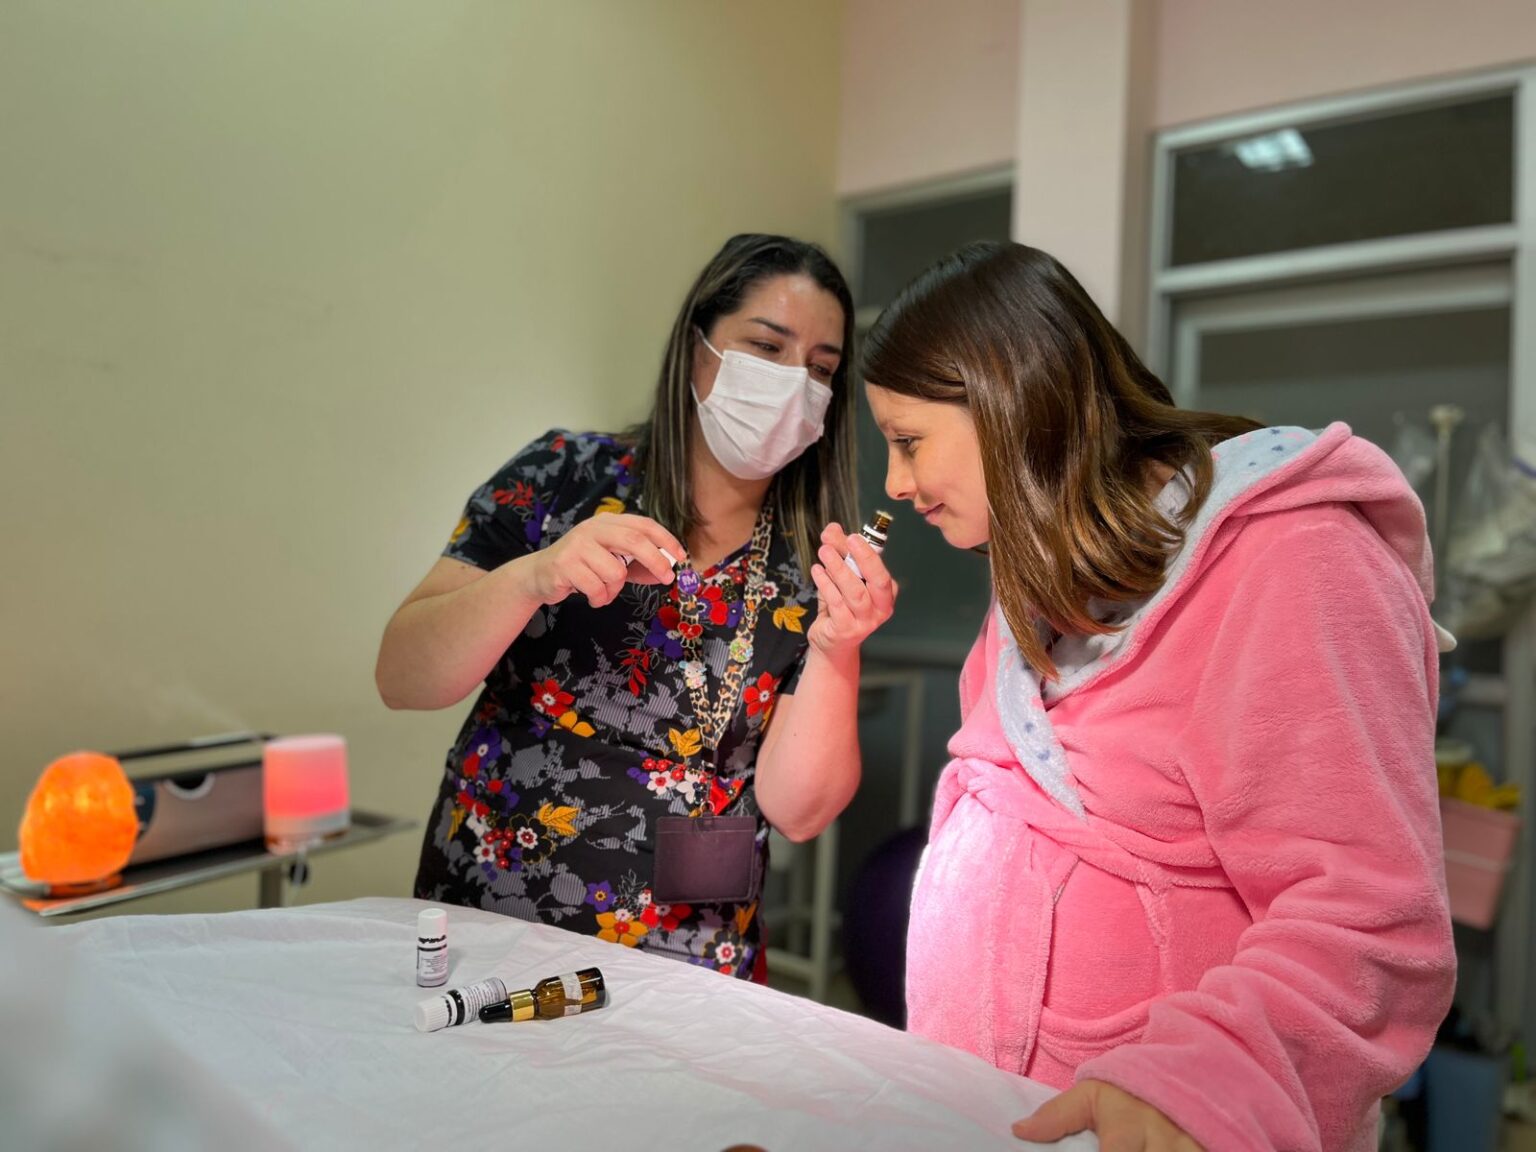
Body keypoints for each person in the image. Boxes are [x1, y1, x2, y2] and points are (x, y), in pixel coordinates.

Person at [861, 241, 1455, 1150]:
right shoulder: (1037, 582)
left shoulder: (1298, 563)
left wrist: (1201, 1077)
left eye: (908, 443)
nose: (897, 486)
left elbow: (1368, 922)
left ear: (1012, 402)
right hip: (983, 1106)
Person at [377, 234, 894, 979]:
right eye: (767, 347)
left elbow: (800, 811)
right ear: (696, 349)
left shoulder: (813, 561)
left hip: (691, 964)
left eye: (820, 369)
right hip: (495, 921)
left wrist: (838, 648)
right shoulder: (565, 477)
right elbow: (403, 676)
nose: (793, 384)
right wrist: (532, 578)